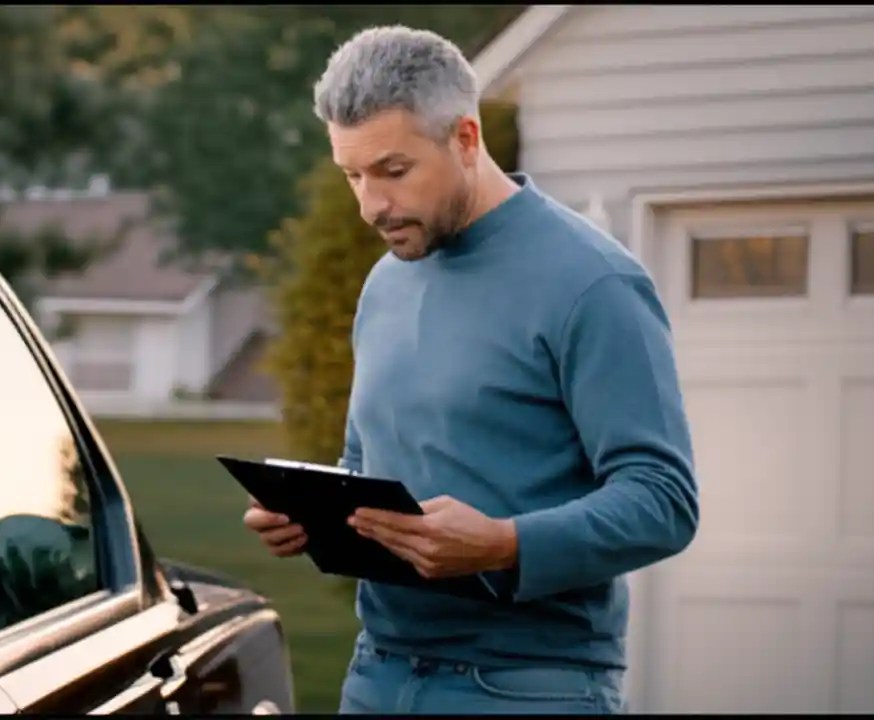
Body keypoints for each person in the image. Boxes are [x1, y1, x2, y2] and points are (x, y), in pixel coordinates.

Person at [242, 25, 700, 715]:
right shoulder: (385, 285)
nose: (370, 206)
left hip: (527, 687)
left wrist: (503, 545)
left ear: (464, 138)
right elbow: (371, 462)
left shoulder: (591, 282)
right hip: (376, 675)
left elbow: (664, 500)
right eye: (353, 176)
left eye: (393, 172)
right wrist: (315, 514)